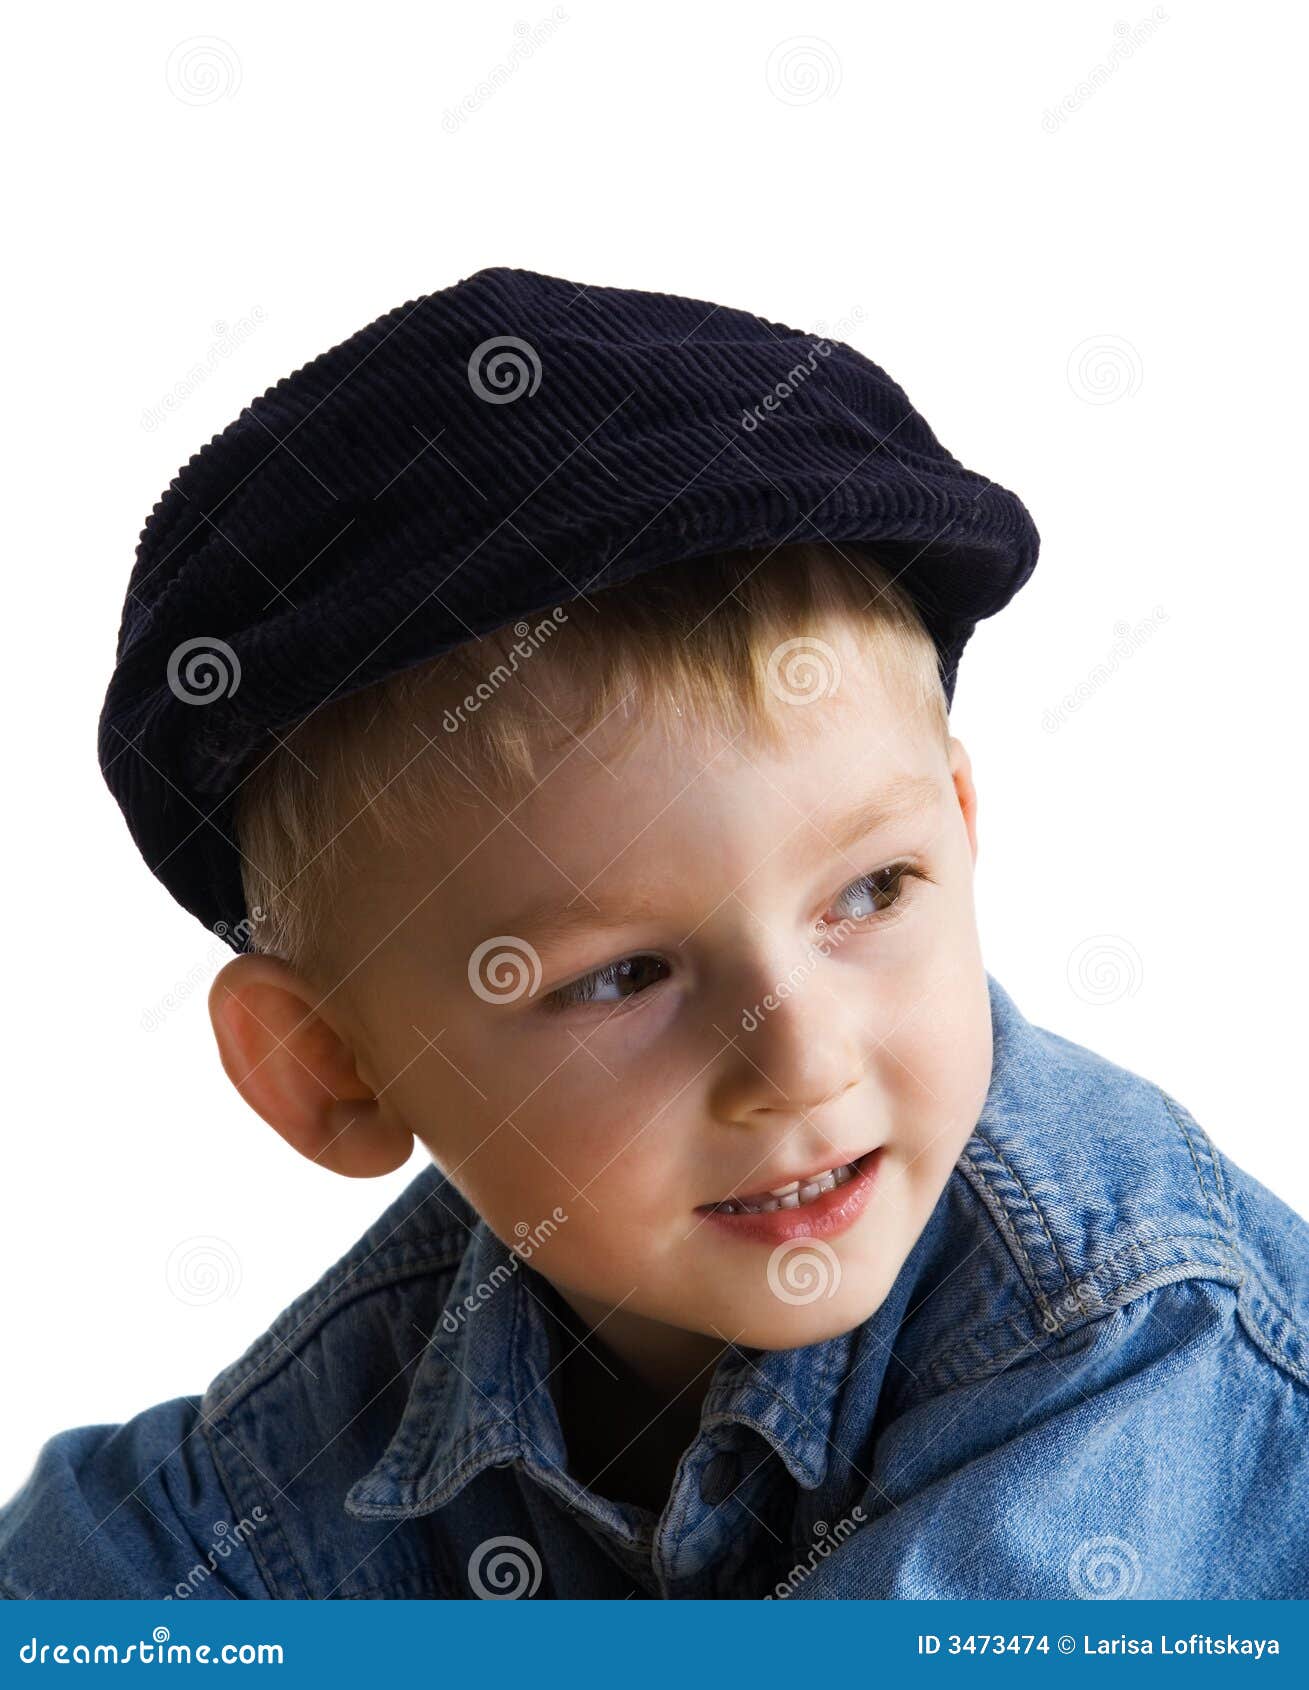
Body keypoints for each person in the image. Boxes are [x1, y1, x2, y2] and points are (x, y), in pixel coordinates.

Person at [2, 268, 1305, 1600]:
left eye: (871, 889)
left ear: (960, 829)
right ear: (328, 1065)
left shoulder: (1129, 1327)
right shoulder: (352, 1406)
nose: (797, 1057)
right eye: (619, 975)